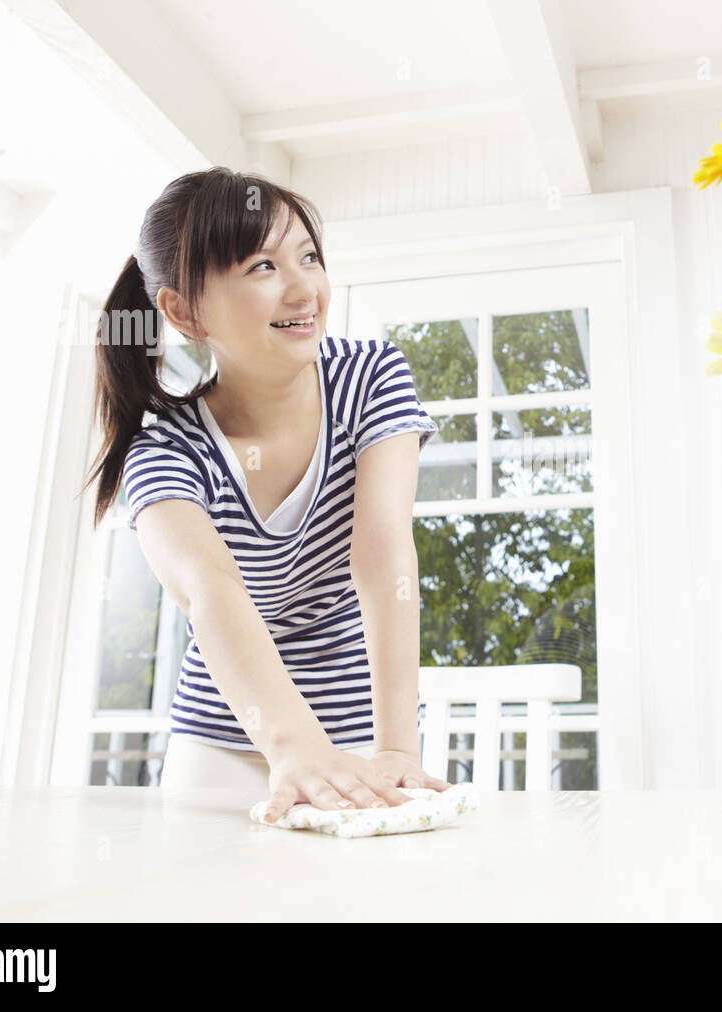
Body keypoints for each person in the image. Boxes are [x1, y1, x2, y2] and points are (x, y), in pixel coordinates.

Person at [81, 167, 452, 822]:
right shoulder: (164, 451)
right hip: (222, 741)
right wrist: (291, 744)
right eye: (262, 267)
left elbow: (382, 552)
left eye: (308, 256)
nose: (304, 287)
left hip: (366, 731)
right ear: (183, 310)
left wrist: (397, 744)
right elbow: (210, 586)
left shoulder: (370, 377)